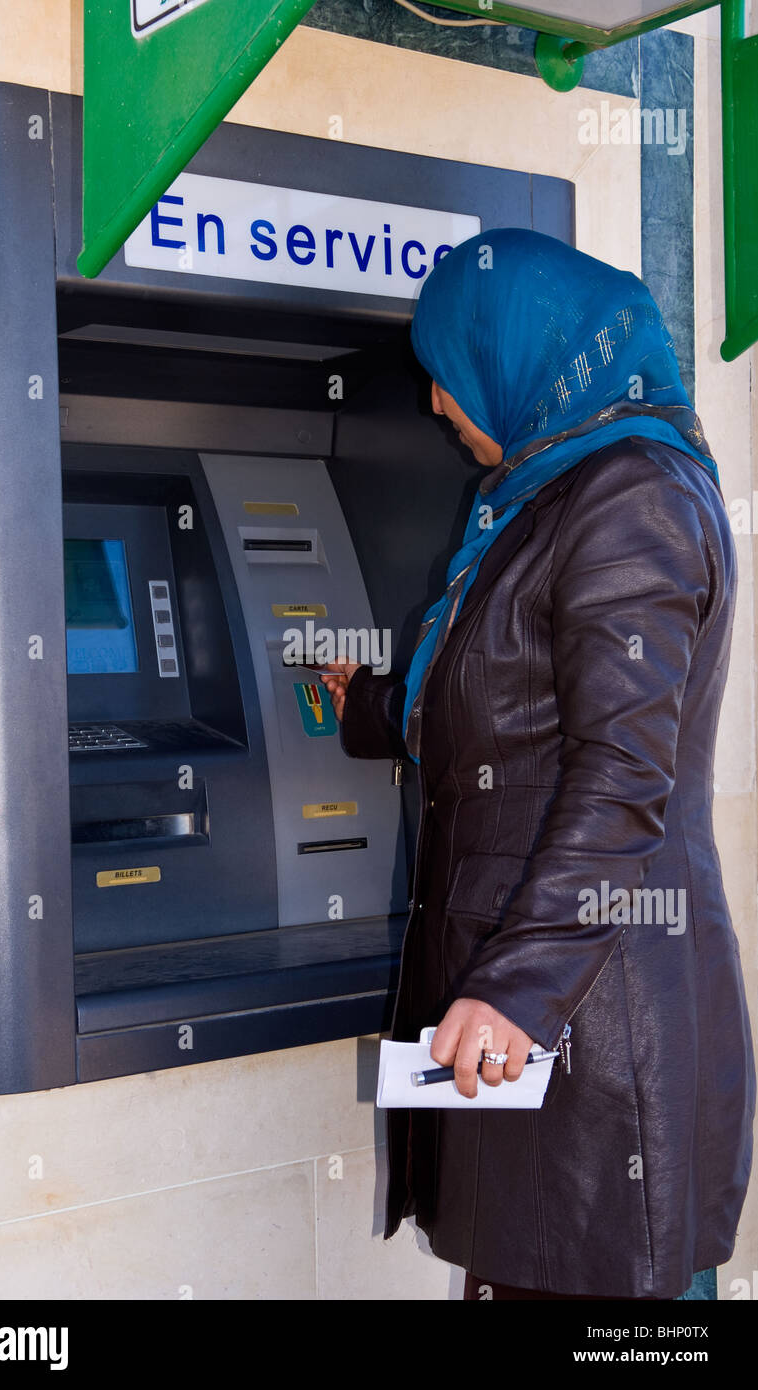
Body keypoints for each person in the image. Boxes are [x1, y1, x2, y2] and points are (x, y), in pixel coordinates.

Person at [319, 228, 755, 1301]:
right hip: (548, 1010)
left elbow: (620, 772)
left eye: (446, 373)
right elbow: (504, 716)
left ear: (518, 353)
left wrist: (514, 990)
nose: (432, 404)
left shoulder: (629, 500)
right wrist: (372, 702)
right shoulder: (536, 500)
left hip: (595, 1022)